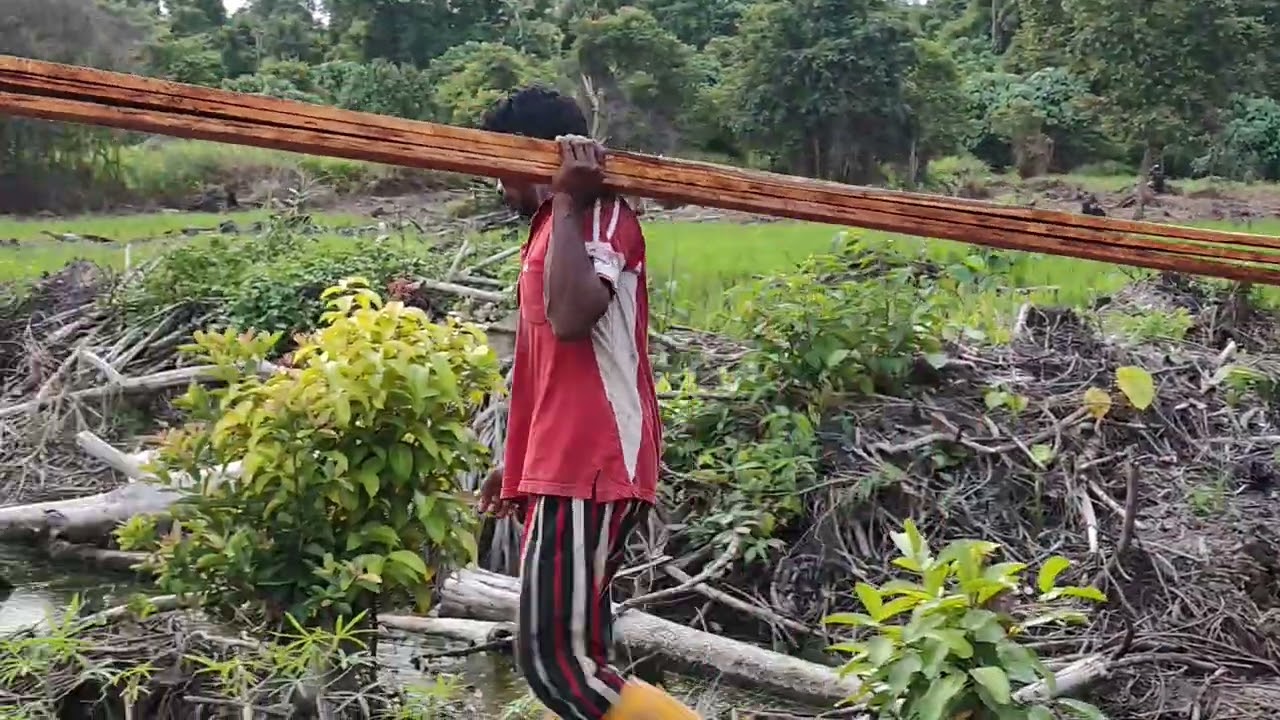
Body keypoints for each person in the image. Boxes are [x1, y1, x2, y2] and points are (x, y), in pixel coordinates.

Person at [475, 86, 697, 720]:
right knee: (577, 660)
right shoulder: (555, 227)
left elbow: (573, 318)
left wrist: (570, 196)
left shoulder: (594, 214)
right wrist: (517, 463)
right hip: (563, 457)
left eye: (501, 164)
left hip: (590, 457)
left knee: (559, 668)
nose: (497, 183)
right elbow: (549, 365)